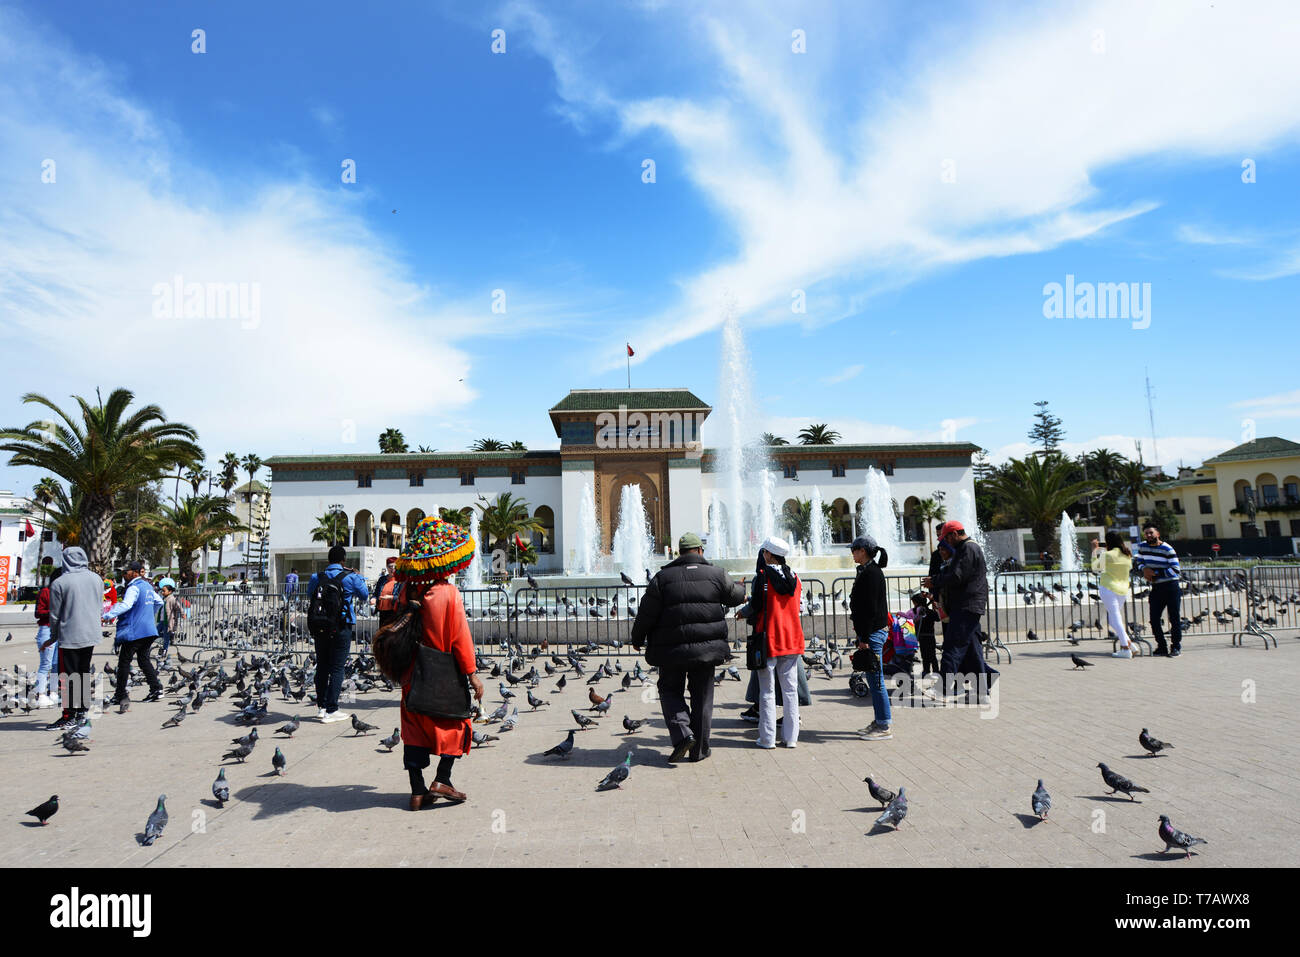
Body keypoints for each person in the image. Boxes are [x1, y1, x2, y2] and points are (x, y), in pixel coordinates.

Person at [393, 517, 484, 809]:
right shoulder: (447, 593)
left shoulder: (406, 591)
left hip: (411, 674)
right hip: (442, 673)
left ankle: (417, 791)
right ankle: (443, 777)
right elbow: (460, 637)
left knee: (414, 730)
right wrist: (472, 674)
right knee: (457, 725)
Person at [631, 531, 745, 763]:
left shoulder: (662, 578)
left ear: (678, 553)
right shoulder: (716, 574)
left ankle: (683, 734)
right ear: (700, 551)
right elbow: (735, 597)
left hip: (671, 650)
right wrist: (741, 588)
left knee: (669, 691)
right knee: (702, 696)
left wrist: (637, 638)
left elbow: (646, 613)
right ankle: (700, 750)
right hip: (706, 649)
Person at [739, 538, 804, 749]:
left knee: (766, 691)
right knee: (790, 691)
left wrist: (742, 612)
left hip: (769, 639)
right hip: (792, 639)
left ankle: (767, 739)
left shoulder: (763, 577)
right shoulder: (795, 577)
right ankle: (791, 737)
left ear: (768, 554)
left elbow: (756, 605)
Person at [924, 520, 997, 700]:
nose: (946, 544)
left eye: (946, 539)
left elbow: (957, 576)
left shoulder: (968, 548)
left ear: (954, 534)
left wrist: (935, 581)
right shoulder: (968, 548)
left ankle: (943, 689)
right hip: (969, 604)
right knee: (972, 649)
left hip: (966, 605)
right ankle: (982, 692)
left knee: (952, 645)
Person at [307, 545, 371, 722]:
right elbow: (365, 595)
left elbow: (309, 594)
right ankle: (332, 709)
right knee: (337, 668)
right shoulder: (350, 577)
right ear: (343, 560)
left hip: (320, 627)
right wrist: (358, 576)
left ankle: (321, 707)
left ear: (328, 560)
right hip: (342, 626)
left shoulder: (317, 577)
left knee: (322, 666)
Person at [42, 547, 104, 731]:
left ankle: (69, 715)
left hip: (70, 635)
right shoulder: (97, 579)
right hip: (91, 634)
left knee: (68, 676)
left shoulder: (60, 582)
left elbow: (55, 615)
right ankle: (82, 712)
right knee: (83, 672)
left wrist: (53, 636)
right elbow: (99, 605)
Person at [103, 561, 165, 705]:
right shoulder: (148, 586)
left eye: (126, 572)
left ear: (135, 573)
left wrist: (107, 615)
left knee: (124, 662)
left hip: (135, 631)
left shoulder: (134, 587)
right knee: (144, 660)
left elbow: (127, 605)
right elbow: (159, 602)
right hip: (149, 630)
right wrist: (149, 616)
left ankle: (120, 694)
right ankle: (156, 689)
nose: (124, 575)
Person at [849, 535, 893, 740]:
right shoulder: (867, 571)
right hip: (871, 632)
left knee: (876, 681)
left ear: (863, 551)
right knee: (873, 678)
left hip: (873, 632)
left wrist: (864, 637)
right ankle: (879, 721)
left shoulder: (872, 573)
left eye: (855, 549)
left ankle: (884, 725)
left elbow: (870, 609)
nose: (852, 553)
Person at [1134, 523, 1181, 657]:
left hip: (1171, 586)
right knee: (1154, 619)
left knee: (1174, 618)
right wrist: (1144, 569)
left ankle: (1176, 646)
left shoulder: (1167, 549)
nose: (1148, 535)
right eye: (1146, 533)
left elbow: (1175, 569)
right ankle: (1161, 646)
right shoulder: (1142, 546)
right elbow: (1139, 561)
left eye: (1151, 533)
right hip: (1156, 587)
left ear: (1158, 534)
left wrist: (1154, 574)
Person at [1091, 532, 1134, 658]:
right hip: (1122, 590)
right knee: (1113, 619)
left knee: (1115, 618)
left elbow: (1095, 568)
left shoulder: (1107, 554)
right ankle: (1130, 645)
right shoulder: (1127, 555)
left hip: (1108, 588)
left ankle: (1126, 648)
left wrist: (1094, 550)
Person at [33, 571, 59, 708]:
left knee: (56, 663)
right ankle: (41, 694)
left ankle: (53, 692)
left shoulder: (63, 592)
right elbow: (37, 613)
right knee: (46, 664)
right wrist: (53, 613)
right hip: (46, 628)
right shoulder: (45, 592)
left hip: (59, 630)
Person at [910, 591, 940, 676]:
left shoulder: (917, 612)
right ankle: (934, 670)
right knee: (931, 654)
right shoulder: (928, 612)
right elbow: (937, 618)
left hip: (923, 636)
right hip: (929, 636)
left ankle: (928, 670)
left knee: (926, 655)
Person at [156, 577, 183, 657]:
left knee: (166, 638)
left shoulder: (171, 599)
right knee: (155, 633)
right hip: (161, 620)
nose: (162, 592)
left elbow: (178, 606)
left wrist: (182, 613)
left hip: (168, 621)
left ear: (170, 591)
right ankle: (170, 636)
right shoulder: (163, 599)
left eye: (164, 591)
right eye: (162, 591)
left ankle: (165, 650)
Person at [374, 556, 403, 627]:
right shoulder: (382, 579)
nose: (392, 569)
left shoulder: (400, 580)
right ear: (386, 567)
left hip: (393, 612)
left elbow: (402, 598)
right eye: (390, 566)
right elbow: (376, 593)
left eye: (394, 566)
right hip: (382, 612)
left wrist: (390, 597)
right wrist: (373, 599)